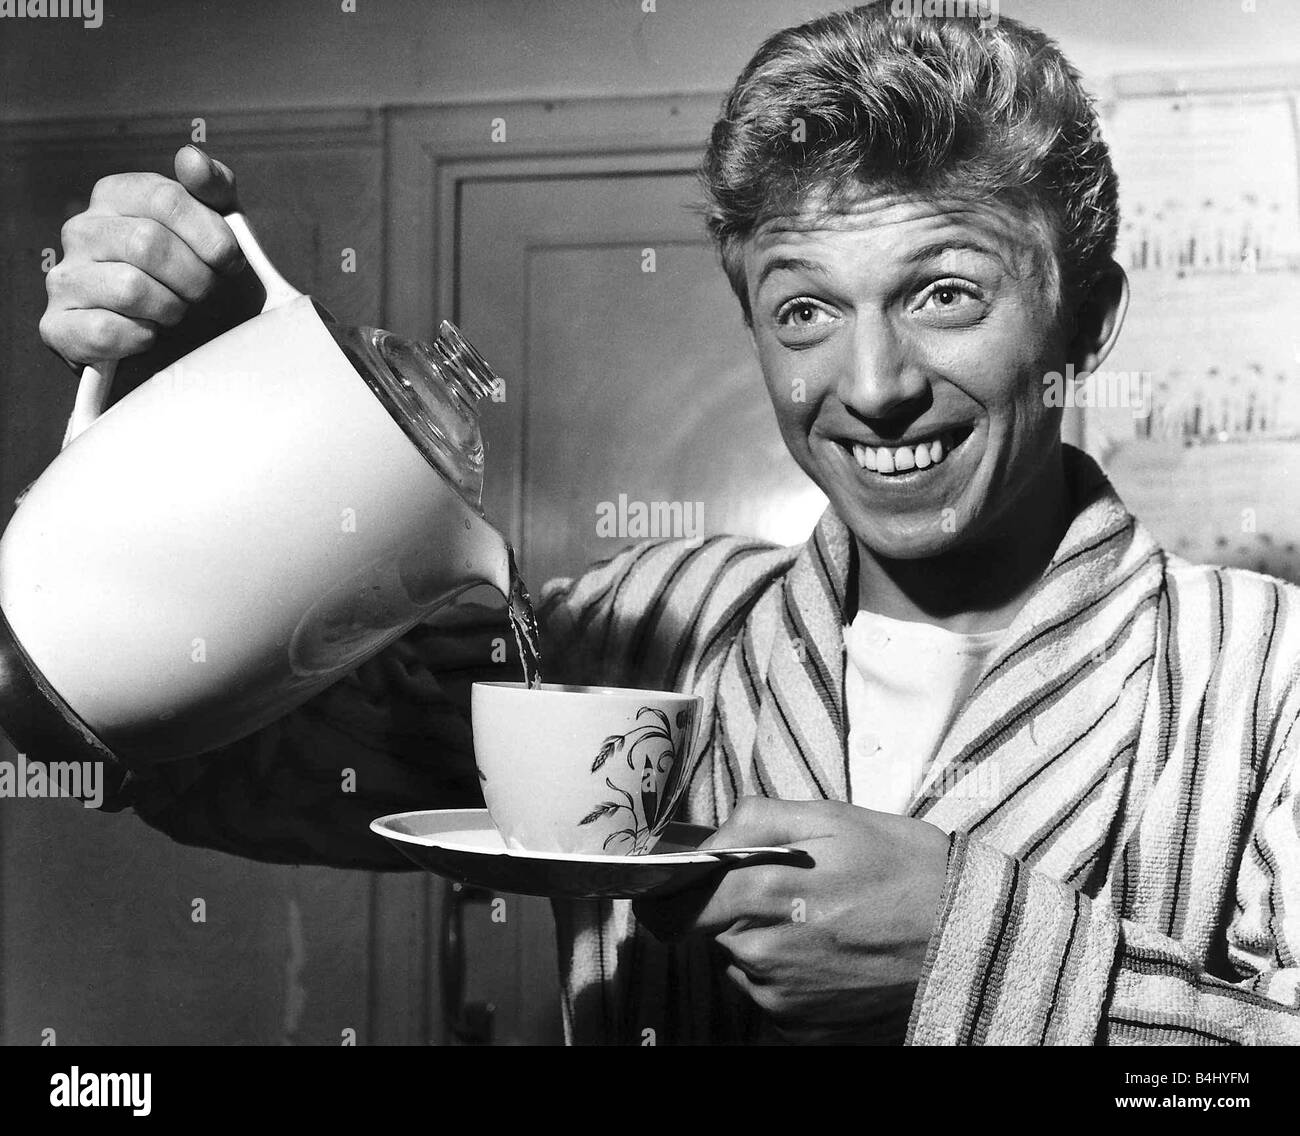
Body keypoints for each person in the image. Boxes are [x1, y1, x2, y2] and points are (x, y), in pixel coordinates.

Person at [34, 3, 1300, 1045]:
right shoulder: (644, 630)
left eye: (944, 292)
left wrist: (986, 963)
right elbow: (163, 753)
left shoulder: (1264, 675)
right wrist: (185, 466)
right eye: (804, 310)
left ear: (1086, 318)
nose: (870, 386)